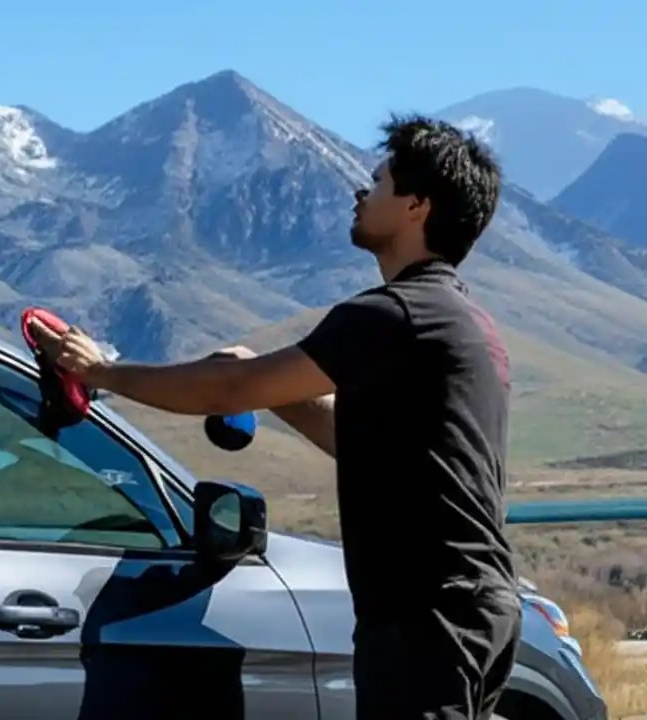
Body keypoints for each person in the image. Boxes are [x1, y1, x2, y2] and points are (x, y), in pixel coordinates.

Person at [28, 113, 521, 720]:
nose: (362, 192)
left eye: (380, 180)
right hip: (474, 605)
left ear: (417, 206)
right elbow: (373, 445)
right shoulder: (463, 323)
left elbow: (226, 390)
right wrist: (266, 384)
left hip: (427, 614)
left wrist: (100, 372)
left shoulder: (395, 315)